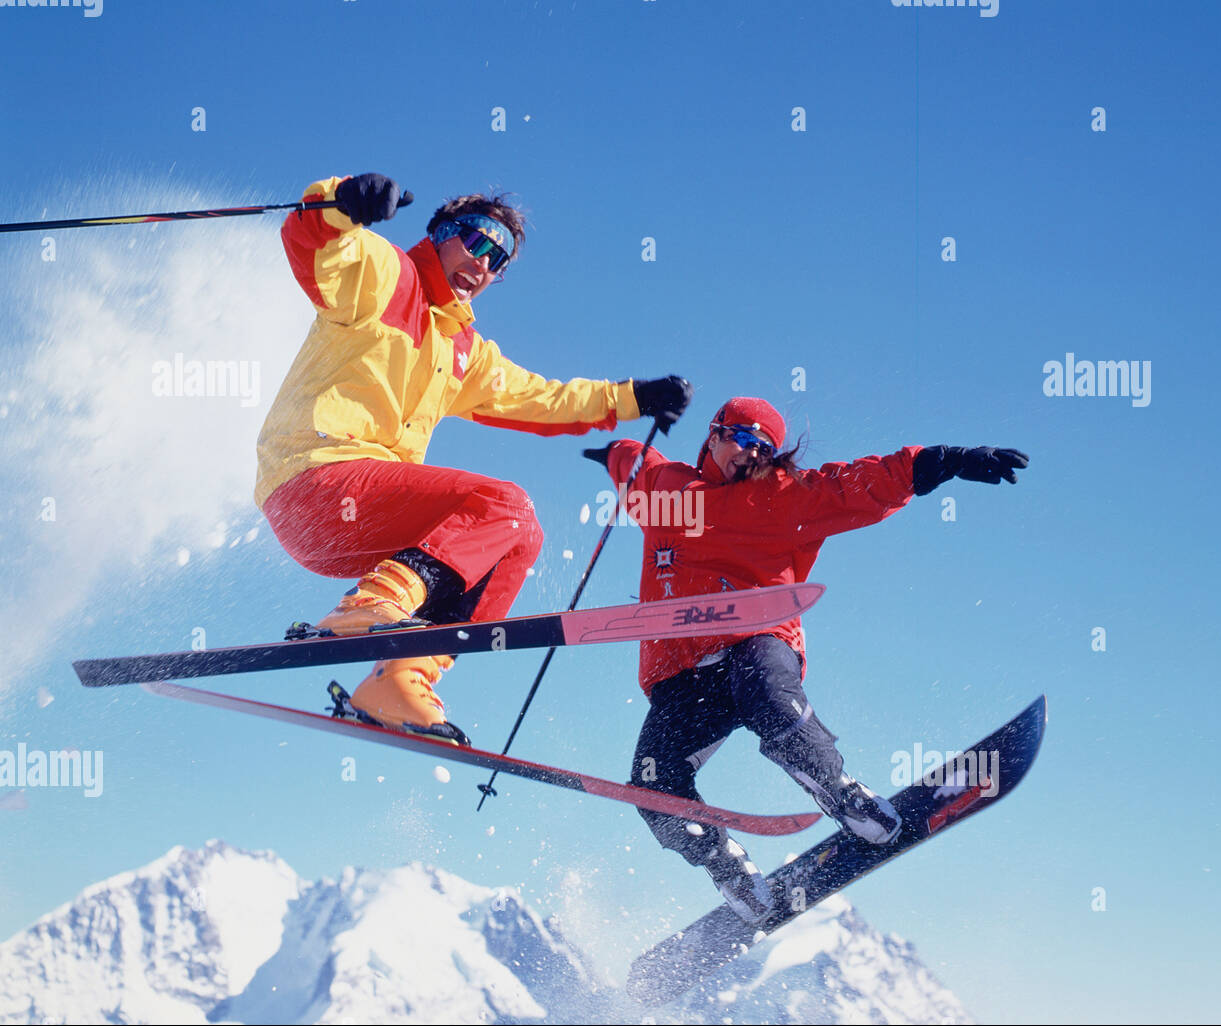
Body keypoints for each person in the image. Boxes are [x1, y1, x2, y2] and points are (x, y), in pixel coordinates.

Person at [255, 173, 692, 740]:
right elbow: (313, 241)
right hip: (313, 484)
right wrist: (342, 201)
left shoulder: (464, 351)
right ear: (439, 233)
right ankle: (371, 605)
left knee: (519, 536)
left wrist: (635, 397)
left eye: (499, 260)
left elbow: (543, 398)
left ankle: (401, 676)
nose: (484, 263)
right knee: (503, 503)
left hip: (360, 524)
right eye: (477, 240)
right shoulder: (385, 275)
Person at [583, 397, 1027, 922]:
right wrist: (612, 449)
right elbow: (636, 464)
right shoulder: (665, 492)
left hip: (756, 641)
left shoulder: (782, 498)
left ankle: (840, 793)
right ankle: (725, 865)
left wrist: (944, 459)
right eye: (742, 440)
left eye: (764, 450)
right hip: (682, 674)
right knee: (653, 786)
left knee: (769, 696)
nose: (750, 455)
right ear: (714, 434)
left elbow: (859, 485)